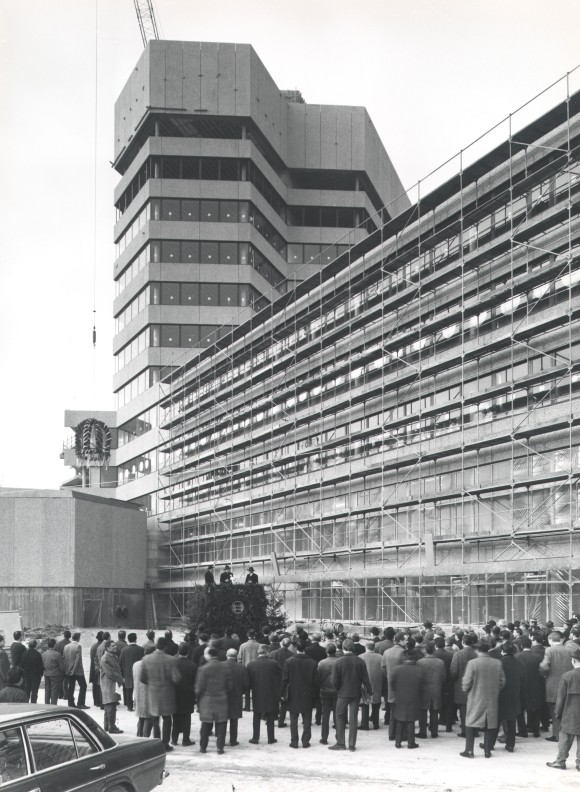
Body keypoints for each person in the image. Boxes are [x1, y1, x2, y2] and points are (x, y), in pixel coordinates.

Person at [460, 640, 505, 758]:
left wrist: (467, 691)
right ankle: (487, 750)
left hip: (475, 696)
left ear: (477, 650)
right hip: (491, 697)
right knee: (489, 723)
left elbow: (466, 682)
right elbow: (502, 681)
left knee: (470, 721)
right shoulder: (497, 663)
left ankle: (469, 750)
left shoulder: (472, 663)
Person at [329, 638, 372, 752]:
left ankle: (341, 742)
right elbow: (366, 679)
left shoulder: (338, 661)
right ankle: (352, 744)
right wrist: (370, 692)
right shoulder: (360, 661)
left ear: (343, 648)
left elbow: (334, 680)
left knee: (339, 716)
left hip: (342, 693)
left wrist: (338, 688)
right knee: (353, 718)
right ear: (353, 648)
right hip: (356, 693)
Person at [140, 637, 181, 751]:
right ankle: (165, 743)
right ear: (165, 646)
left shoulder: (146, 659)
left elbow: (142, 678)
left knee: (154, 719)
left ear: (156, 645)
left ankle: (156, 742)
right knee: (167, 719)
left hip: (153, 692)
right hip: (167, 693)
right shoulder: (171, 659)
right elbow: (177, 678)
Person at [547, 644, 580, 770]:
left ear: (573, 660)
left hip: (569, 712)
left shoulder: (567, 676)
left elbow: (560, 698)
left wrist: (558, 713)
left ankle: (560, 761)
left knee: (565, 738)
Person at [195, 646, 232, 754]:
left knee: (205, 725)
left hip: (207, 701)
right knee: (221, 725)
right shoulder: (225, 667)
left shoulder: (203, 669)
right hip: (221, 699)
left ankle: (203, 747)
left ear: (209, 655)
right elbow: (229, 686)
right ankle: (220, 747)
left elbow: (198, 688)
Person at [282, 639, 318, 748]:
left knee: (293, 719)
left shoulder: (289, 661)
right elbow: (316, 681)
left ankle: (294, 741)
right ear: (305, 649)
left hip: (293, 693)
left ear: (296, 648)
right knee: (307, 720)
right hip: (307, 693)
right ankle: (305, 741)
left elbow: (285, 679)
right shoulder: (312, 662)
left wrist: (281, 693)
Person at [541, 631, 573, 742]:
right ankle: (567, 733)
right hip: (568, 683)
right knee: (566, 709)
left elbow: (544, 666)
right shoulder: (568, 650)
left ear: (550, 639)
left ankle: (556, 734)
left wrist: (543, 675)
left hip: (552, 684)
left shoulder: (549, 650)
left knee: (554, 711)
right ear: (561, 639)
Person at [247, 645, 282, 745]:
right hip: (271, 692)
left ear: (258, 652)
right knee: (270, 716)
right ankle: (271, 738)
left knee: (256, 715)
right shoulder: (274, 663)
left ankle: (255, 738)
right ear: (268, 652)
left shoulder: (251, 664)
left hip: (257, 692)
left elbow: (249, 681)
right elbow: (281, 676)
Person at [492, 641, 524, 752]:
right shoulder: (519, 663)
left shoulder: (499, 662)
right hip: (514, 694)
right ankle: (510, 745)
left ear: (503, 651)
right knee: (511, 721)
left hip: (500, 694)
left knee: (496, 720)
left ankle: (490, 743)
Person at [390, 649, 425, 748]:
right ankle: (411, 742)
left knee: (400, 719)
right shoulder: (419, 670)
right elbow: (422, 685)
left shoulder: (396, 669)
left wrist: (397, 692)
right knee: (411, 720)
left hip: (400, 696)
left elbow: (392, 684)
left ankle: (398, 741)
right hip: (414, 696)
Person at [450, 633, 478, 737]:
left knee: (463, 709)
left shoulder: (458, 654)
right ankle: (475, 730)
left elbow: (453, 671)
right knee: (474, 709)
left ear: (462, 642)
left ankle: (465, 730)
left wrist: (455, 680)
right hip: (475, 685)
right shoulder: (476, 654)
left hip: (461, 685)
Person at [417, 641, 446, 738]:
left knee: (423, 711)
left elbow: (418, 677)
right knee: (434, 711)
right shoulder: (440, 662)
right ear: (434, 650)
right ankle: (434, 731)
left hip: (424, 689)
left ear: (425, 650)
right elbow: (443, 677)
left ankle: (422, 732)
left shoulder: (420, 662)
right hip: (436, 689)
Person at [516, 635, 543, 738]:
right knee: (534, 708)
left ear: (522, 646)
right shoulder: (538, 656)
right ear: (531, 645)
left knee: (520, 709)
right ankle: (535, 730)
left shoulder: (517, 656)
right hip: (535, 685)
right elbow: (542, 670)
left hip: (521, 686)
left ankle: (523, 731)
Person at [172, 642, 197, 746]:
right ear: (188, 652)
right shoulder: (193, 665)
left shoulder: (173, 663)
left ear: (178, 651)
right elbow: (196, 681)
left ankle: (174, 739)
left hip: (175, 693)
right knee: (187, 718)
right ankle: (185, 739)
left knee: (176, 717)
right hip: (188, 694)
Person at [382, 632, 406, 739]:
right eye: (405, 640)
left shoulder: (386, 652)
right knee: (402, 712)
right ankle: (401, 734)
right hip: (401, 686)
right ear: (400, 640)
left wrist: (388, 675)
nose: (406, 641)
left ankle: (391, 734)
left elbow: (383, 667)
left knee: (392, 711)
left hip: (389, 684)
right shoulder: (404, 652)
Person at [225, 648, 249, 747]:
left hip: (223, 696)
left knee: (222, 719)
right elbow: (246, 684)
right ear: (236, 656)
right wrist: (241, 692)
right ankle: (233, 740)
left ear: (227, 655)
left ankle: (221, 738)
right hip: (236, 695)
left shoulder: (221, 665)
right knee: (234, 720)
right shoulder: (242, 667)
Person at [100, 641, 124, 734]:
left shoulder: (112, 656)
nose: (115, 647)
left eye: (115, 645)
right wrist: (121, 679)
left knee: (109, 705)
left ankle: (107, 726)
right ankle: (112, 727)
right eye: (113, 646)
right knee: (110, 705)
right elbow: (110, 673)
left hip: (111, 684)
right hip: (108, 684)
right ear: (107, 648)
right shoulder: (105, 658)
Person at [134, 645, 157, 738]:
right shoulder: (151, 665)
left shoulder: (135, 664)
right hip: (148, 694)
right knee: (148, 719)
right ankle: (145, 738)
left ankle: (139, 736)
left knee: (141, 718)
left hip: (138, 693)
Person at [318, 643, 339, 744]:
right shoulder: (339, 662)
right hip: (337, 692)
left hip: (325, 691)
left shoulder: (321, 663)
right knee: (338, 715)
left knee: (325, 716)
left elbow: (318, 678)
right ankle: (339, 737)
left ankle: (324, 738)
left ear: (326, 652)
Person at [271, 637, 294, 728]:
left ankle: (271, 719)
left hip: (274, 679)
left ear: (281, 643)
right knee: (284, 701)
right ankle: (281, 721)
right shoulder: (292, 655)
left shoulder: (273, 653)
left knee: (273, 700)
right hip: (286, 680)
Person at [360, 641, 382, 730]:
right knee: (376, 704)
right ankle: (376, 724)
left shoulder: (360, 657)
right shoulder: (380, 657)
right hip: (377, 682)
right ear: (374, 648)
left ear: (366, 647)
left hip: (364, 683)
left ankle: (364, 724)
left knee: (365, 703)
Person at [119, 633, 144, 711]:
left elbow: (120, 662)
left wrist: (122, 674)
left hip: (127, 673)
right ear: (136, 639)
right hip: (138, 672)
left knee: (129, 691)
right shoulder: (141, 649)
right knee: (139, 690)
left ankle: (129, 706)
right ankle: (138, 705)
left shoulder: (123, 650)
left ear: (128, 639)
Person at [64, 632, 88, 709]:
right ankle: (80, 703)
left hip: (69, 670)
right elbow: (77, 660)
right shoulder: (78, 646)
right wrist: (74, 670)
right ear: (78, 638)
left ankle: (70, 703)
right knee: (83, 686)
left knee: (71, 686)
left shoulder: (66, 646)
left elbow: (65, 658)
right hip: (77, 671)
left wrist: (68, 670)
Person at [238, 629, 260, 711]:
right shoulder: (259, 645)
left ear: (248, 635)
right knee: (256, 688)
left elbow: (239, 659)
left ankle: (247, 706)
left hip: (246, 668)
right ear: (255, 635)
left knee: (247, 688)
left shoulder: (243, 646)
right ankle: (256, 705)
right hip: (257, 669)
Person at [42, 637, 65, 705]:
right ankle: (53, 705)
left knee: (47, 690)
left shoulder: (44, 654)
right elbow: (62, 666)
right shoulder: (57, 654)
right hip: (55, 674)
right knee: (54, 691)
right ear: (54, 645)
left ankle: (47, 704)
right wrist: (62, 672)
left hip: (46, 674)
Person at [89, 631, 104, 708]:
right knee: (100, 685)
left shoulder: (93, 646)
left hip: (93, 668)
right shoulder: (102, 647)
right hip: (99, 668)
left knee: (95, 685)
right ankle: (100, 701)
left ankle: (96, 701)